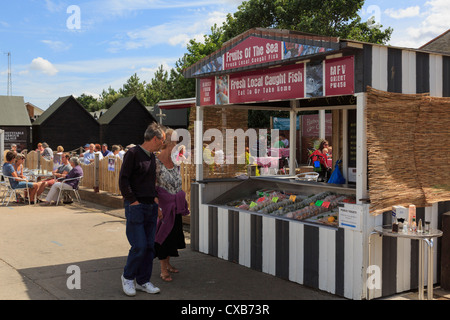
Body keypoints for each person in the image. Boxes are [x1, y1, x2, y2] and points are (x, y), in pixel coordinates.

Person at [119, 122, 165, 297]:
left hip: (150, 206)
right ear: (155, 138)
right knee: (139, 246)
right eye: (162, 140)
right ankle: (128, 277)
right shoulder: (133, 154)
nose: (163, 143)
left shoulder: (152, 156)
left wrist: (155, 201)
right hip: (136, 207)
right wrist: (133, 202)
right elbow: (124, 180)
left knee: (149, 247)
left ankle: (143, 281)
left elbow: (150, 182)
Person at [155, 129, 189, 282]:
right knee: (163, 237)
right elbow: (151, 187)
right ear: (167, 143)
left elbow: (183, 154)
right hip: (164, 207)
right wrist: (157, 207)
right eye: (175, 141)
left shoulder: (175, 160)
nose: (177, 144)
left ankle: (168, 264)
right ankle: (163, 269)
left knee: (173, 237)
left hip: (175, 205)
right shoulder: (155, 163)